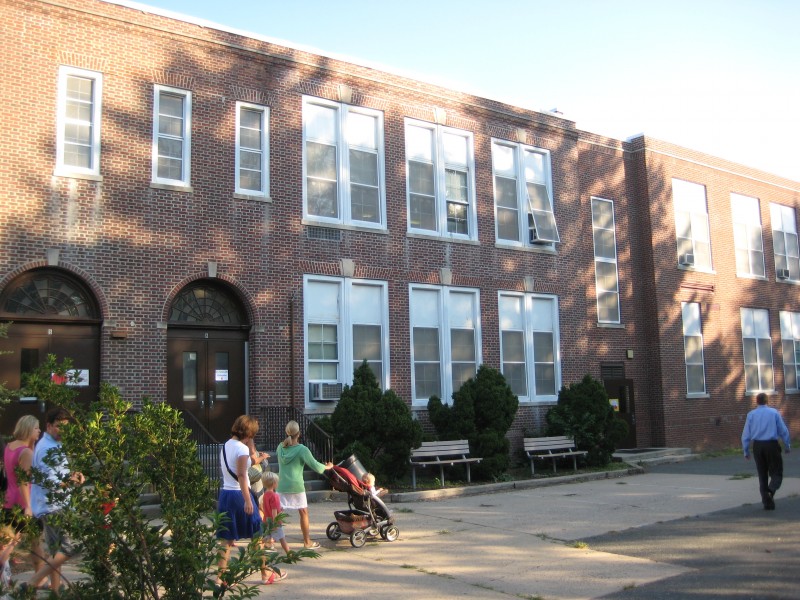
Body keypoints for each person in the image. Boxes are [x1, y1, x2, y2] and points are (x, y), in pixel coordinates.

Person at [27, 407, 85, 592]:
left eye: (66, 427)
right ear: (49, 426)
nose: (63, 431)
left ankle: (55, 590)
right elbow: (52, 482)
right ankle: (32, 583)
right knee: (68, 548)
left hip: (53, 503)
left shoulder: (53, 444)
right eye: (59, 426)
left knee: (55, 551)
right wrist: (71, 480)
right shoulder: (46, 448)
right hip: (53, 505)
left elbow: (57, 474)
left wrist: (72, 475)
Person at [216, 415, 270, 583]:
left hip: (225, 494)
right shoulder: (242, 449)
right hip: (239, 494)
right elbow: (241, 474)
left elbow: (249, 461)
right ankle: (265, 574)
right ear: (249, 434)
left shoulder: (226, 445)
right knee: (256, 533)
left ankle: (220, 577)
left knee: (226, 538)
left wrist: (259, 457)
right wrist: (248, 500)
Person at [275, 421, 332, 549]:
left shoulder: (280, 448)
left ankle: (268, 541)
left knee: (277, 513)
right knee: (303, 513)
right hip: (296, 486)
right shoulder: (302, 449)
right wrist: (327, 467)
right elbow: (316, 466)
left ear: (287, 432)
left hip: (282, 485)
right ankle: (307, 542)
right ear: (299, 433)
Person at [1, 415, 44, 575]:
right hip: (24, 502)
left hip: (8, 500)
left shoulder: (10, 446)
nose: (39, 431)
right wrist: (28, 506)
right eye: (36, 428)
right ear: (28, 429)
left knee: (6, 542)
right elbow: (24, 481)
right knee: (35, 542)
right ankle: (39, 578)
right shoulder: (26, 452)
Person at [741, 392, 791, 510]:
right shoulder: (774, 413)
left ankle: (767, 503)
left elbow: (746, 434)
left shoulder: (751, 415)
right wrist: (787, 444)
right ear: (767, 401)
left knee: (762, 474)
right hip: (771, 445)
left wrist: (746, 450)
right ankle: (771, 490)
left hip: (758, 446)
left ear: (757, 402)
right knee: (776, 472)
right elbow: (783, 430)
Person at [259, 471, 290, 584]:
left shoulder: (265, 495)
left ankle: (268, 547)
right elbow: (274, 511)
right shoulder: (275, 496)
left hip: (265, 520)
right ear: (274, 483)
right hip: (274, 521)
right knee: (282, 538)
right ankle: (289, 553)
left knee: (266, 537)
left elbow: (261, 506)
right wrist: (275, 522)